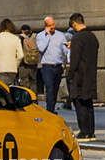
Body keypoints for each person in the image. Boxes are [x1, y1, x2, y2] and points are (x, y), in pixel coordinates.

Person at [64, 13, 99, 141]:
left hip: (80, 76)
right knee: (88, 104)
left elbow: (75, 60)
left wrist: (70, 74)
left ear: (74, 23)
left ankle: (84, 131)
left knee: (79, 103)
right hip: (90, 75)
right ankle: (91, 131)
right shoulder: (92, 37)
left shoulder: (77, 38)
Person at [36, 15, 70, 115]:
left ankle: (52, 106)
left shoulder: (60, 35)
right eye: (50, 25)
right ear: (46, 26)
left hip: (58, 65)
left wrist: (67, 56)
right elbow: (41, 48)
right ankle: (49, 110)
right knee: (49, 88)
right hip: (47, 66)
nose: (52, 27)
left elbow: (64, 49)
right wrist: (48, 36)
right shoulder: (40, 36)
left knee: (55, 89)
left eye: (53, 24)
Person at [17, 24, 39, 91]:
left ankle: (26, 100)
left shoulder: (21, 37)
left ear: (22, 31)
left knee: (24, 83)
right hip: (34, 63)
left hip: (24, 64)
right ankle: (34, 98)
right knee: (33, 82)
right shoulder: (35, 37)